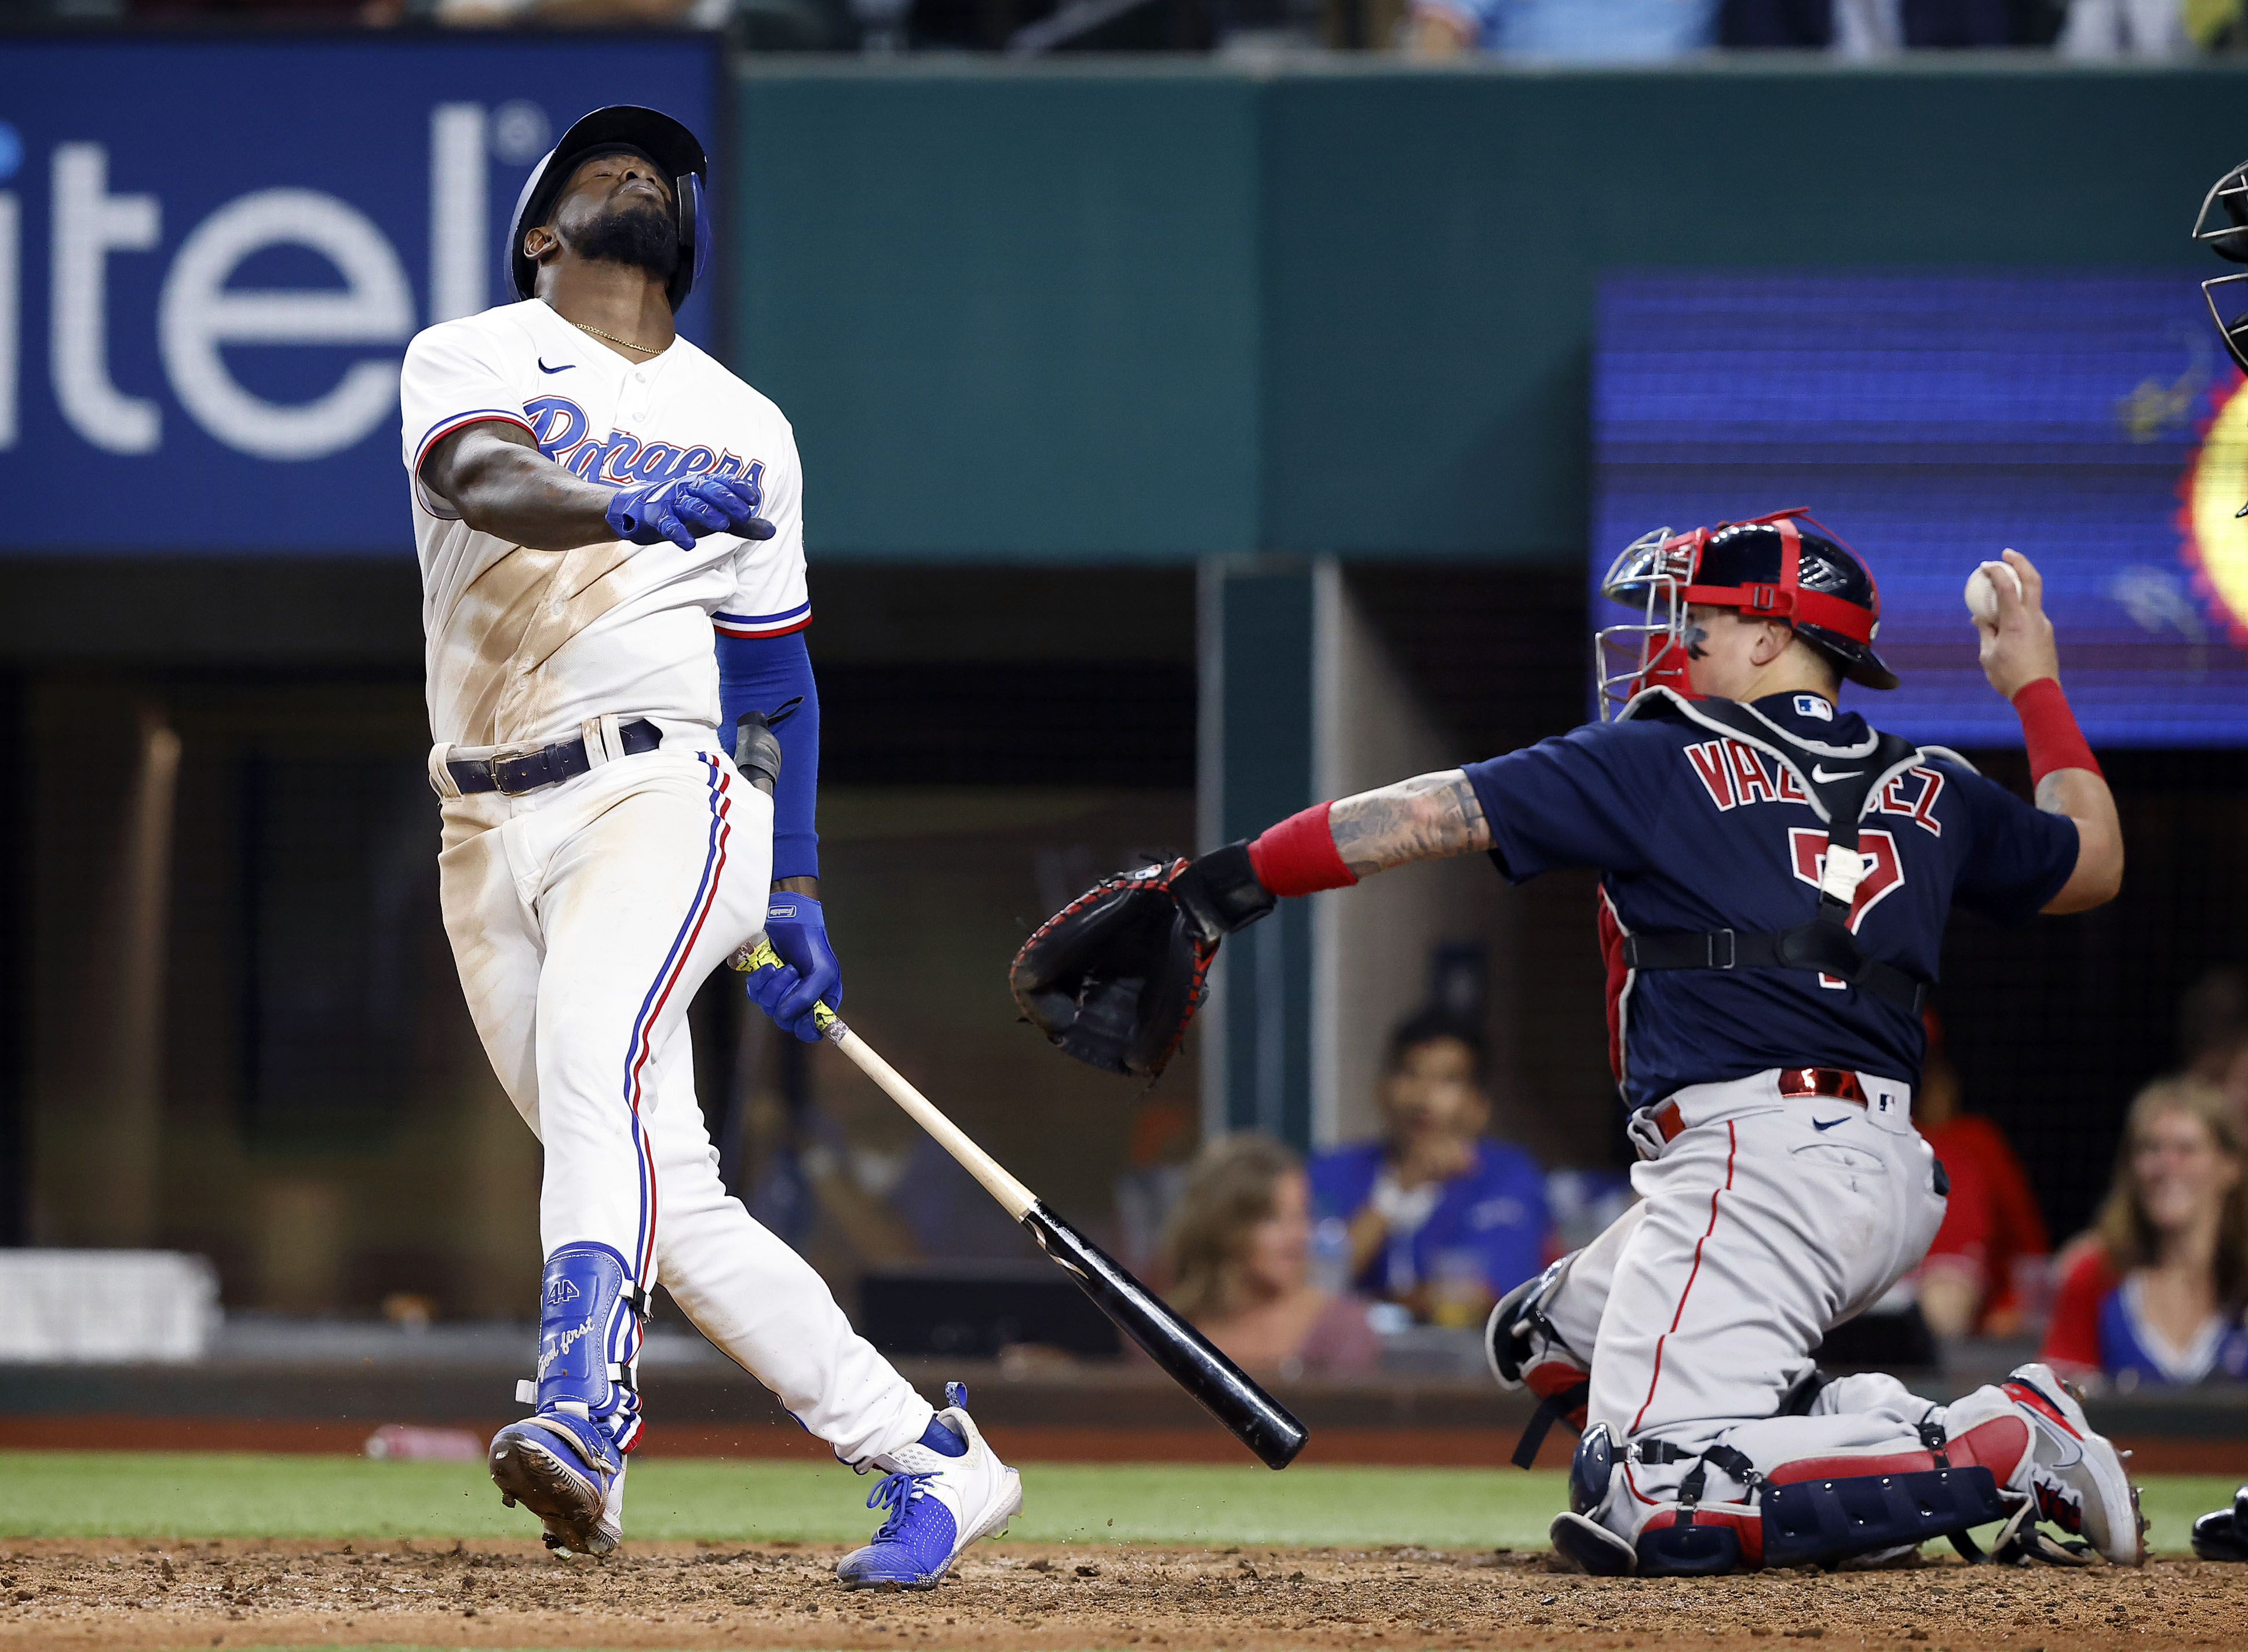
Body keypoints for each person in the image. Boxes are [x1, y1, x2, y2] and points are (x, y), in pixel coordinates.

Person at [1020, 511, 2137, 1575]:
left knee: (1653, 1495)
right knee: (1544, 1335)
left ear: (1771, 630)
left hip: (1753, 1164)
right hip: (1884, 1177)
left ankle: (2001, 1443)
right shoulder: (1933, 785)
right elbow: (2092, 861)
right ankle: (1870, 1434)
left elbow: (1426, 813)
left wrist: (1224, 884)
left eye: (1699, 619)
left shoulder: (1661, 754)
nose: (1679, 640)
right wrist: (2031, 679)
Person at [400, 105, 1019, 1585]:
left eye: (658, 168)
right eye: (597, 166)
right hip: (482, 818)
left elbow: (772, 682)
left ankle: (582, 1410)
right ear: (541, 232)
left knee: (590, 1057)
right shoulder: (471, 351)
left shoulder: (749, 422)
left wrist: (793, 881)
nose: (637, 175)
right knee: (658, 1186)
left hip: (658, 792)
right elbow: (485, 479)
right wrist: (615, 502)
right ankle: (934, 1455)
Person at [1308, 1011, 1548, 1325]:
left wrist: (1363, 1307)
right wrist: (1396, 1192)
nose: (1424, 1097)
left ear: (1479, 1106)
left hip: (1464, 1370)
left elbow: (1481, 1297)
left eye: (1448, 1080)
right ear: (1382, 1089)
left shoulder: (1508, 1176)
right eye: (1410, 1074)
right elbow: (1309, 1286)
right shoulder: (1331, 1171)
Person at [2041, 1077, 2248, 1388]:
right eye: (2150, 1149)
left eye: (2186, 1149)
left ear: (2230, 1166)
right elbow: (2056, 1411)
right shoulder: (2095, 1277)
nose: (2166, 1166)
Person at [1165, 1135, 1381, 1379]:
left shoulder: (1342, 1328)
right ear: (1225, 1226)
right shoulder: (1170, 1329)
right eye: (1273, 1219)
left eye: (1301, 1216)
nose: (1298, 1237)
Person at [1914, 1008, 2050, 1341]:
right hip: (1865, 1330)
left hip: (1962, 1351)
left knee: (1944, 1293)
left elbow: (2030, 1258)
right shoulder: (1851, 1142)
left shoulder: (1975, 1144)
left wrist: (2012, 1309)